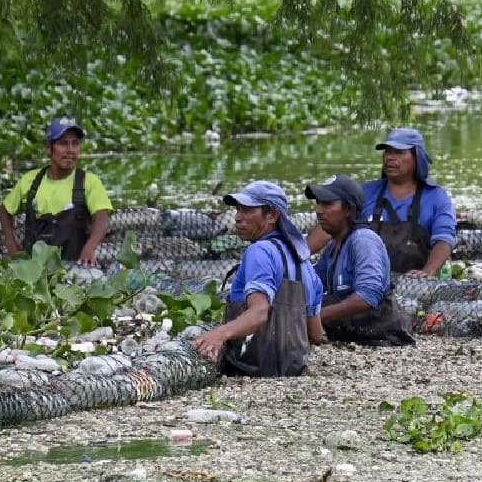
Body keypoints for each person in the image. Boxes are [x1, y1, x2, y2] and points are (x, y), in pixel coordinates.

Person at [191, 181, 324, 377]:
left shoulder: (259, 251)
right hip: (295, 370)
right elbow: (316, 334)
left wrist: (220, 334)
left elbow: (259, 313)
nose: (237, 218)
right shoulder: (303, 260)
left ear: (272, 215)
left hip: (251, 368)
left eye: (247, 211)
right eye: (238, 210)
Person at [307, 128, 456, 277]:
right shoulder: (365, 192)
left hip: (412, 283)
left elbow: (444, 240)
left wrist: (427, 272)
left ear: (418, 158)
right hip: (365, 279)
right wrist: (299, 256)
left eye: (399, 152)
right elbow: (332, 224)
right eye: (388, 152)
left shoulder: (437, 198)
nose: (390, 158)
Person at [305, 175, 414, 346]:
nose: (319, 210)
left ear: (348, 209)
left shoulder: (363, 240)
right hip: (353, 328)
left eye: (327, 204)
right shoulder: (334, 247)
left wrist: (317, 317)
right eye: (318, 203)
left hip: (381, 333)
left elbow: (368, 296)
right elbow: (311, 285)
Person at [0, 117, 113, 265]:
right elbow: (5, 210)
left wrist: (90, 248)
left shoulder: (89, 182)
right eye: (63, 144)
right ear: (48, 147)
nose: (70, 150)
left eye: (75, 144)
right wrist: (10, 243)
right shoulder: (30, 181)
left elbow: (102, 217)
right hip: (34, 267)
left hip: (75, 266)